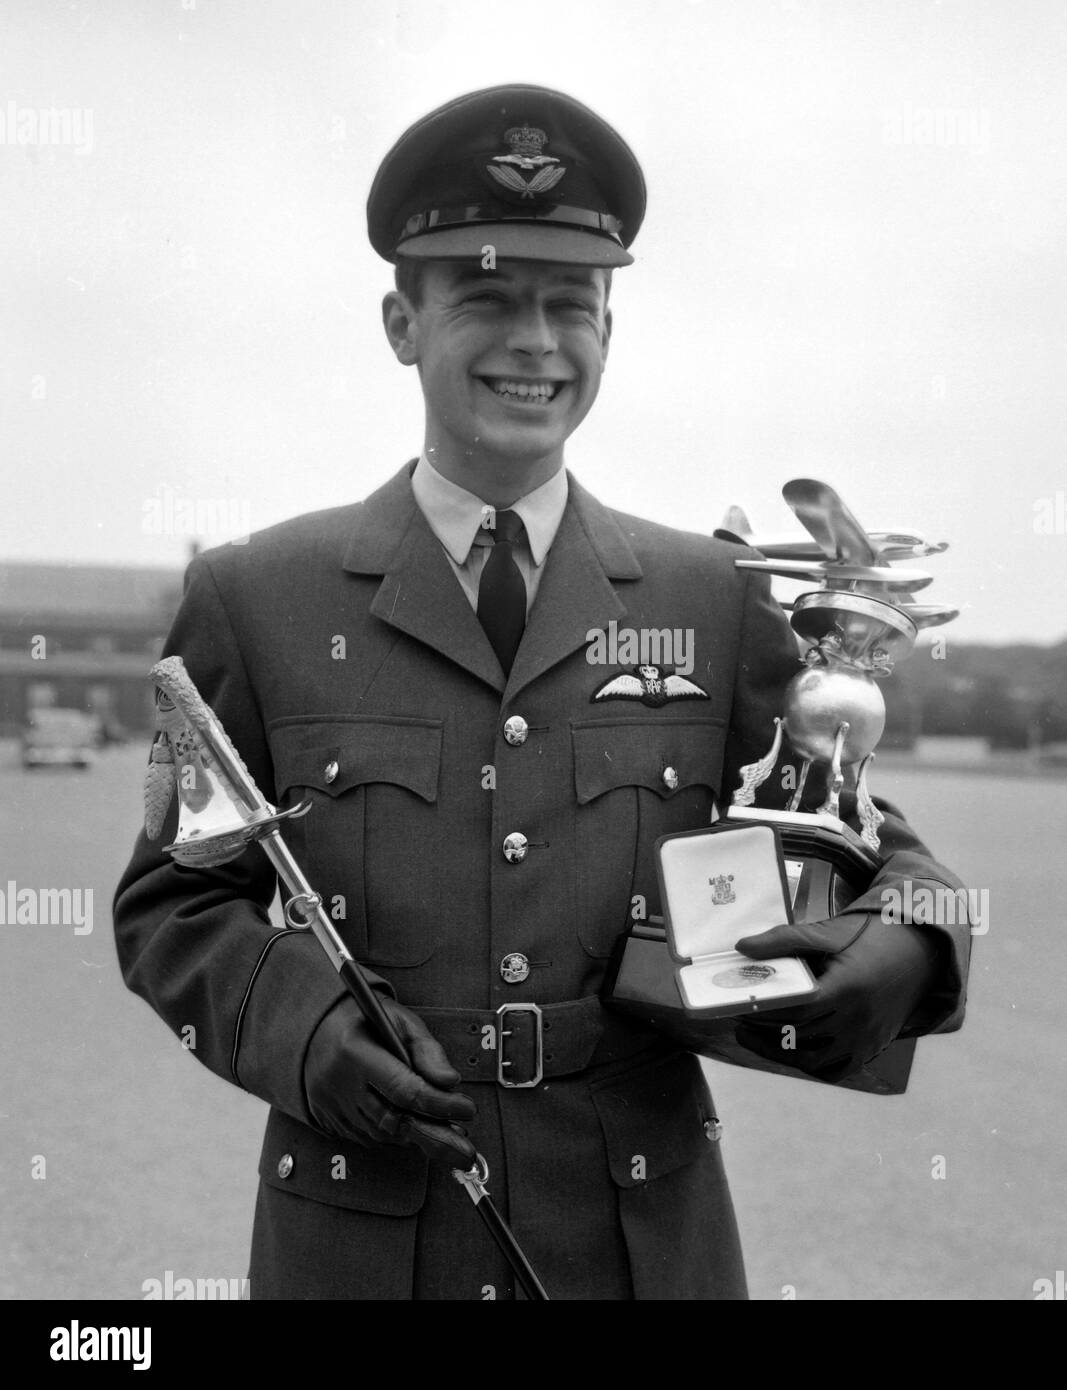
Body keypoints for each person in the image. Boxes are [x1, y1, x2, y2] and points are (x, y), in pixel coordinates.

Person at [113, 83, 972, 1300]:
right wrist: (310, 1038)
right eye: (485, 297)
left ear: (608, 336)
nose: (535, 341)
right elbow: (169, 906)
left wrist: (910, 944)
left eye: (572, 304)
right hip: (362, 1227)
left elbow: (864, 839)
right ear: (400, 322)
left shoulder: (708, 593)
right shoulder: (260, 595)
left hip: (636, 1235)